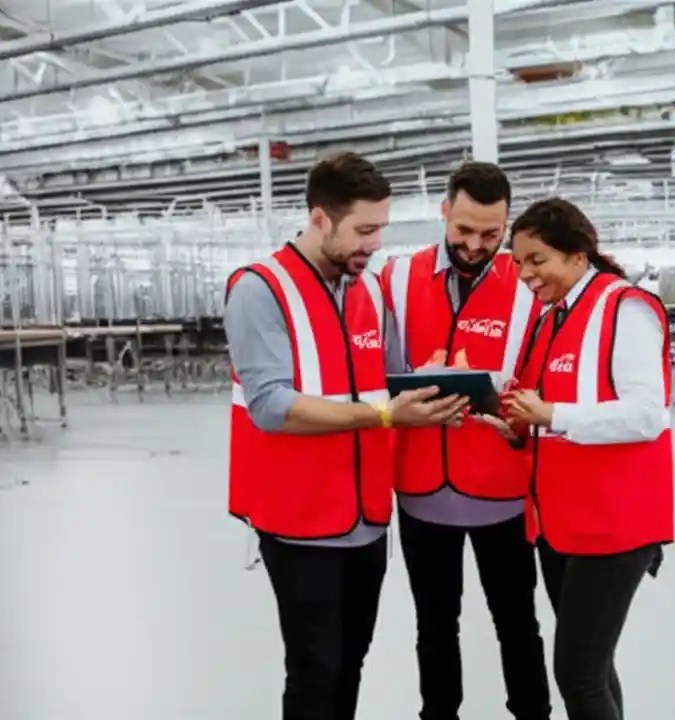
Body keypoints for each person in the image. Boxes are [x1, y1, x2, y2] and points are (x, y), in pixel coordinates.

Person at [223, 151, 469, 720]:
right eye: (363, 230)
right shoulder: (259, 289)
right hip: (300, 519)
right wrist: (385, 416)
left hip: (366, 518)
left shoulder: (368, 291)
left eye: (379, 228)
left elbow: (386, 378)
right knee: (315, 670)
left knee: (350, 661)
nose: (375, 243)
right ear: (320, 219)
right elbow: (270, 406)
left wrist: (429, 382)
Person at [379, 162, 551, 720]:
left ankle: (531, 712)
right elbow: (369, 369)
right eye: (464, 231)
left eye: (491, 234)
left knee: (516, 621)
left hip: (501, 485)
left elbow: (550, 379)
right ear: (444, 211)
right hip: (422, 488)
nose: (476, 245)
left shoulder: (530, 289)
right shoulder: (395, 280)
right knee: (434, 622)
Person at [499, 197, 675, 720]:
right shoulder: (554, 316)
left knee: (577, 672)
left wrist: (552, 414)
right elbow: (553, 404)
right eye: (519, 262)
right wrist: (516, 422)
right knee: (593, 668)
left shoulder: (625, 308)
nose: (525, 274)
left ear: (578, 256)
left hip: (613, 525)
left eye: (538, 260)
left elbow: (647, 414)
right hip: (563, 524)